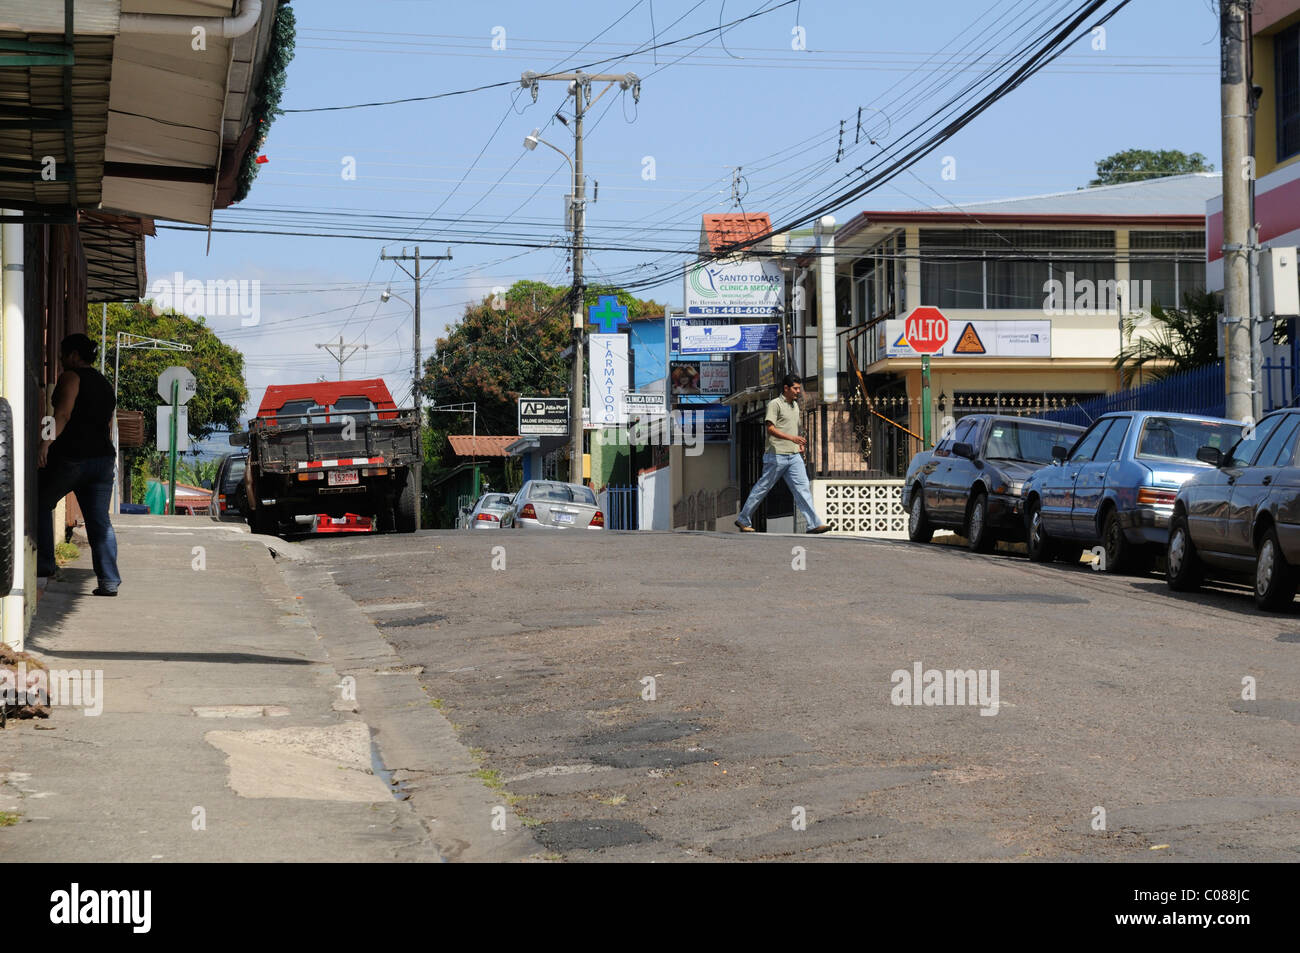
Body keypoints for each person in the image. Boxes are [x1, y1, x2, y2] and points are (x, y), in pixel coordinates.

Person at [37, 334, 121, 596]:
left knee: (40, 502)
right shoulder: (105, 384)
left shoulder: (72, 377)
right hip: (103, 460)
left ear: (74, 355)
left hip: (73, 459)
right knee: (99, 521)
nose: (61, 360)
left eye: (63, 355)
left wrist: (45, 443)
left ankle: (44, 565)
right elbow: (107, 424)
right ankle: (108, 581)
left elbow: (61, 414)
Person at [735, 374, 833, 534]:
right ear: (786, 388)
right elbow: (770, 429)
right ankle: (743, 519)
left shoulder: (795, 405)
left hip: (794, 456)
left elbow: (794, 428)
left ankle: (813, 523)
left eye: (798, 389)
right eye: (795, 388)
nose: (797, 392)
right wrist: (792, 438)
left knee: (803, 489)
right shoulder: (775, 404)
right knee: (762, 488)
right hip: (776, 455)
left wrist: (799, 444)